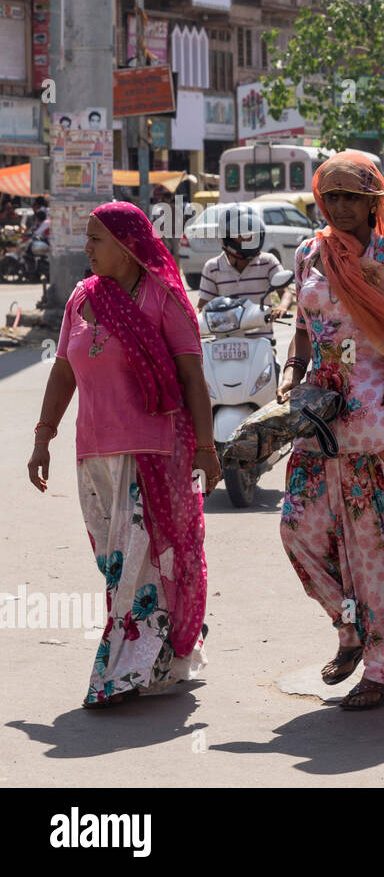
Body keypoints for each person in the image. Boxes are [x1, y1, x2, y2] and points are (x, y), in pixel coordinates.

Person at [276, 151, 384, 710]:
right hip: (319, 411)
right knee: (299, 528)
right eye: (332, 197)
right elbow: (305, 333)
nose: (342, 207)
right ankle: (349, 627)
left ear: (374, 201)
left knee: (375, 543)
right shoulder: (309, 252)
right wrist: (290, 373)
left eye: (354, 196)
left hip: (374, 411)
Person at [28, 201, 216, 708]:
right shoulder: (82, 299)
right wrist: (44, 436)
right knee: (117, 566)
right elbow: (64, 371)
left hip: (152, 451)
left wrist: (205, 447)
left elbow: (193, 377)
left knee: (141, 563)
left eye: (96, 239)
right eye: (87, 238)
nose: (86, 248)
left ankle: (122, 670)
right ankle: (160, 655)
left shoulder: (164, 300)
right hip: (93, 454)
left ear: (128, 245)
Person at [196, 205, 293, 335]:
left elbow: (286, 292)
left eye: (252, 233)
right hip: (224, 344)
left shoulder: (268, 261)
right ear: (227, 236)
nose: (249, 238)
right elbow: (203, 306)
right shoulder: (212, 267)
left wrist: (282, 307)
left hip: (261, 340)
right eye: (242, 234)